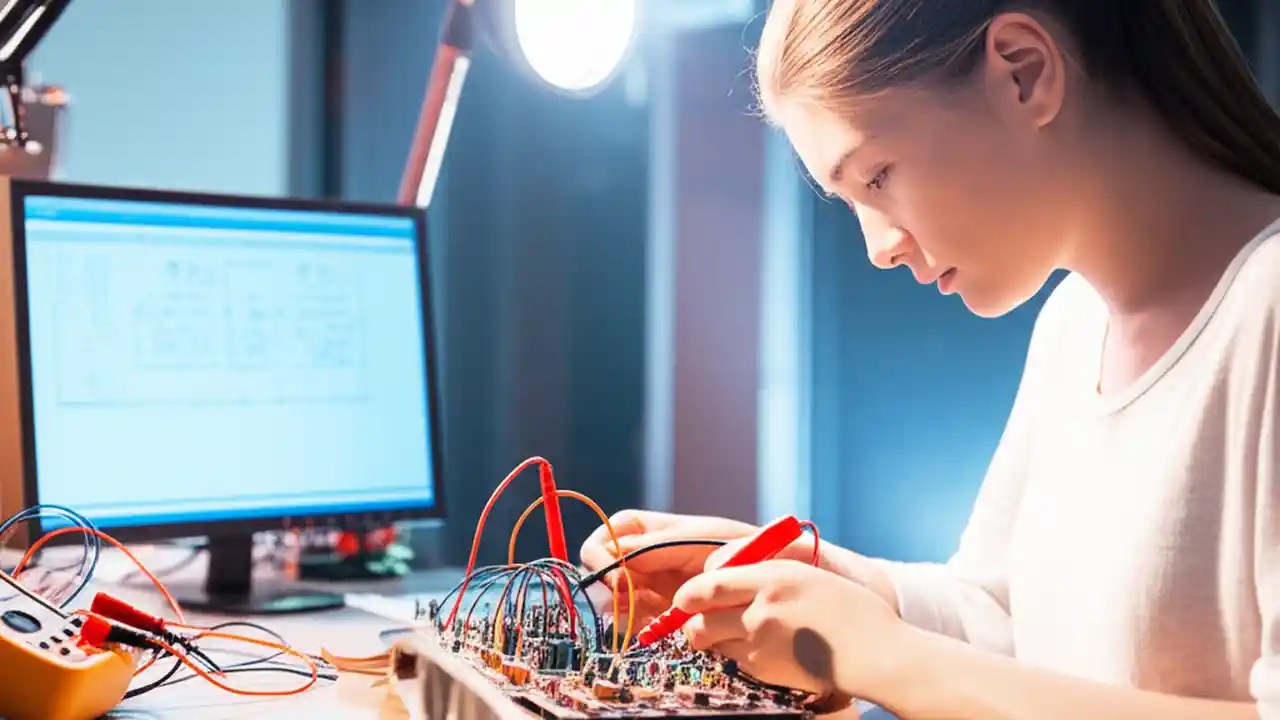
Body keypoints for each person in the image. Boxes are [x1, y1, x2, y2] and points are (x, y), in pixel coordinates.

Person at [580, 1, 1280, 718]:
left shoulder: (1267, 309)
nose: (879, 248)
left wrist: (883, 656)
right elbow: (1004, 630)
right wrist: (814, 582)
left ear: (1024, 74)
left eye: (877, 177)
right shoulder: (1075, 325)